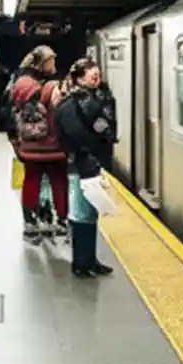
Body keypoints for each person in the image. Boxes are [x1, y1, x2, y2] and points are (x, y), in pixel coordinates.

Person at [55, 56, 117, 278]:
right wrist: (94, 146)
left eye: (97, 72)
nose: (96, 75)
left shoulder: (96, 98)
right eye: (91, 72)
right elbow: (74, 135)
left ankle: (91, 259)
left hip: (92, 165)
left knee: (91, 213)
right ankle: (81, 263)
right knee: (82, 214)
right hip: (79, 165)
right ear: (79, 78)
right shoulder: (69, 105)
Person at [9, 45, 68, 240]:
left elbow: (10, 111)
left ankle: (30, 222)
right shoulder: (52, 87)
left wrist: (15, 141)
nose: (54, 64)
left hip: (30, 145)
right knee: (58, 181)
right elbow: (62, 113)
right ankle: (61, 220)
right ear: (43, 63)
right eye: (51, 61)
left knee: (31, 180)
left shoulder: (20, 83)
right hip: (53, 144)